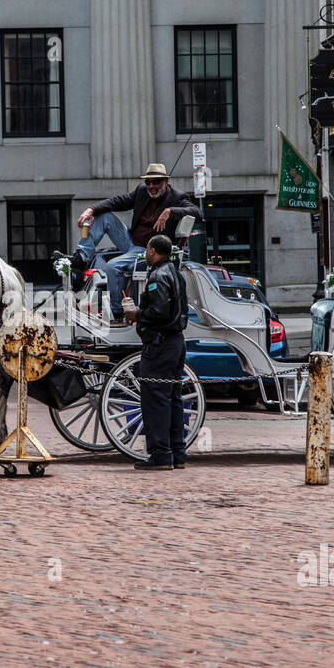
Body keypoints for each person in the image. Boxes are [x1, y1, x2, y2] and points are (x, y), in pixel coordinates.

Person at [64, 162, 201, 326]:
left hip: (149, 251)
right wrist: (91, 209)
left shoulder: (177, 198)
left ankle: (118, 314)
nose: (151, 186)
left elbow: (197, 213)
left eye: (156, 182)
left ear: (166, 181)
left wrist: (170, 211)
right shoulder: (141, 192)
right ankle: (82, 257)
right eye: (148, 182)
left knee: (112, 266)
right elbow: (117, 201)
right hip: (131, 241)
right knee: (104, 216)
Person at [122, 234, 189, 471]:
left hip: (160, 345)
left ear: (152, 250)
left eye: (147, 249)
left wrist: (136, 314)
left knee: (155, 399)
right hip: (175, 343)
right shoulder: (175, 272)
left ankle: (161, 454)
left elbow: (160, 311)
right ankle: (177, 453)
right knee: (172, 398)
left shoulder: (158, 275)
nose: (145, 253)